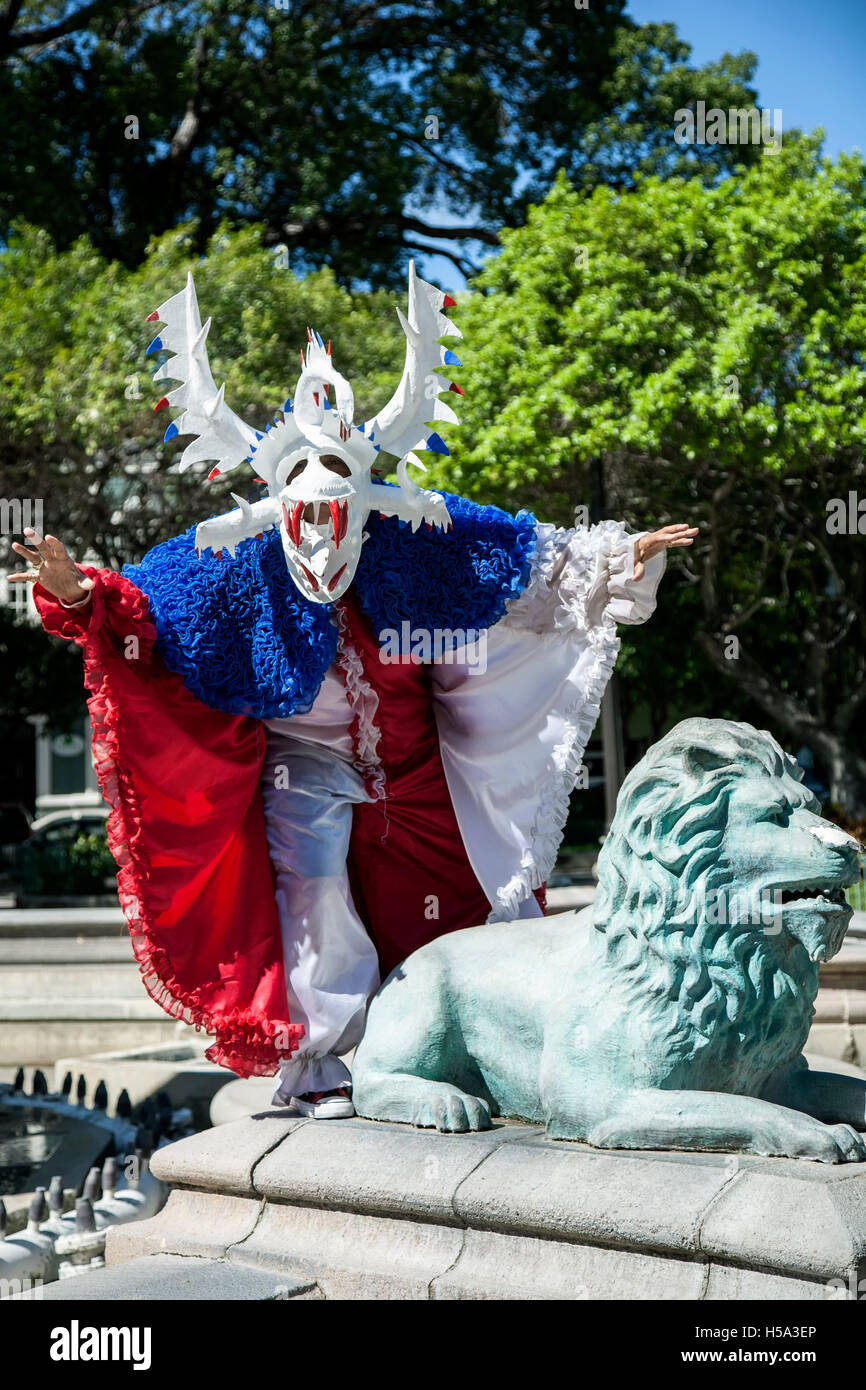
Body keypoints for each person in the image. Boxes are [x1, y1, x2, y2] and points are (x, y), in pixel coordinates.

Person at [11, 265, 697, 1118]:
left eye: (339, 513)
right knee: (312, 879)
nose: (320, 535)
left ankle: (479, 1041)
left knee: (475, 890)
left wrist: (615, 557)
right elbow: (142, 611)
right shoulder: (230, 562)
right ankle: (326, 1061)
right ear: (277, 510)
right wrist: (79, 593)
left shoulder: (419, 536)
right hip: (303, 759)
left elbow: (526, 561)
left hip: (419, 763)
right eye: (304, 515)